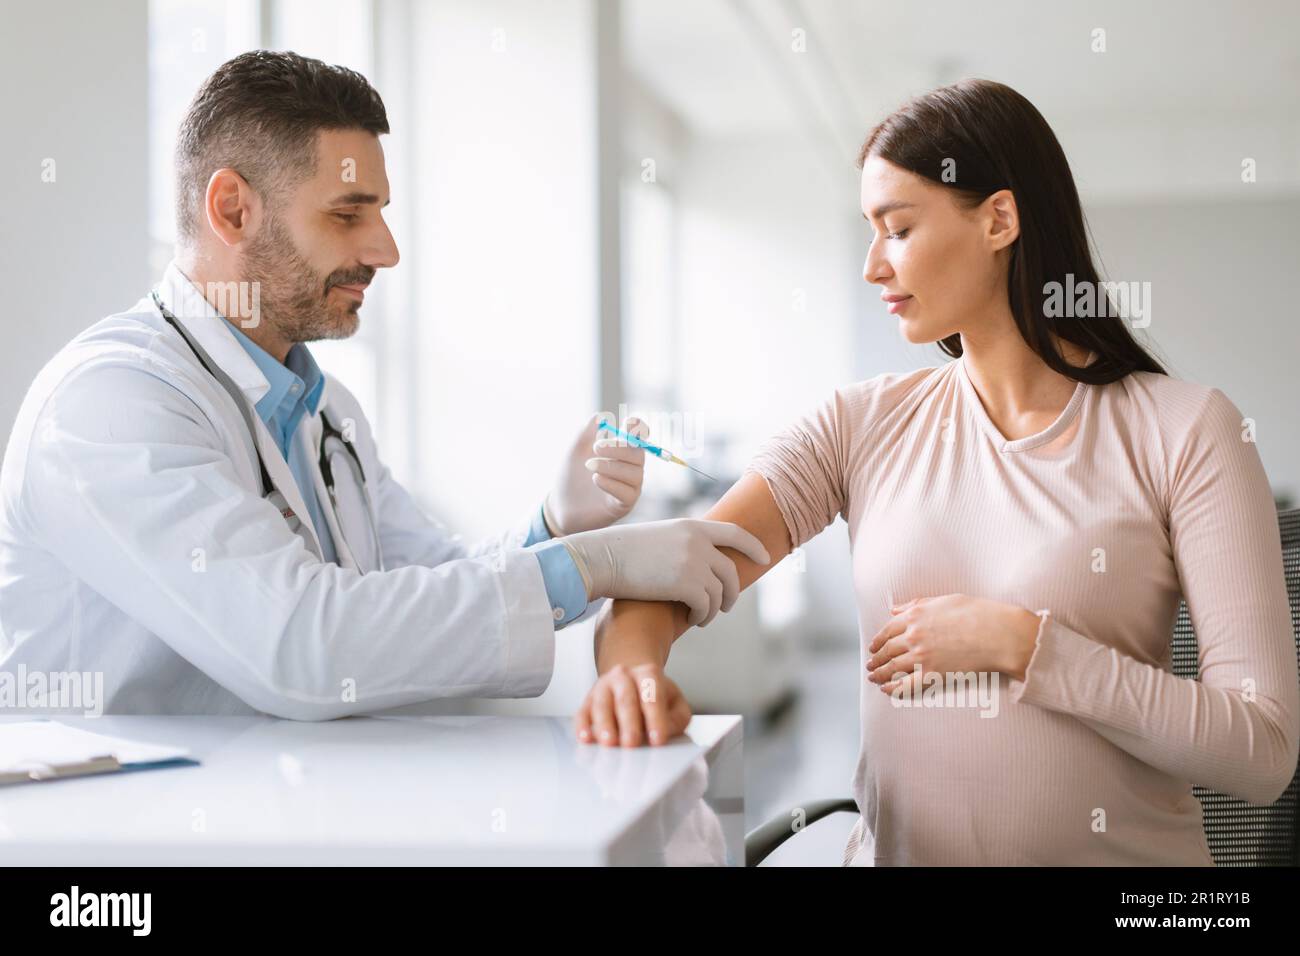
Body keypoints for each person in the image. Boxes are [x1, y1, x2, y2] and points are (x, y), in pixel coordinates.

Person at [573, 78, 1299, 865]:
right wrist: (632, 672)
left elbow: (1261, 751)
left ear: (999, 219)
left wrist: (1023, 646)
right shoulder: (859, 424)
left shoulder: (1186, 429)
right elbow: (666, 578)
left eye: (899, 229)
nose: (872, 267)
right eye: (869, 232)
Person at [0, 50, 768, 721]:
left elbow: (421, 584)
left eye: (382, 213)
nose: (386, 250)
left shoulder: (323, 411)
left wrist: (554, 524)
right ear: (233, 209)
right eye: (347, 214)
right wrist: (595, 565)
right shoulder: (109, 404)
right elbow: (301, 644)